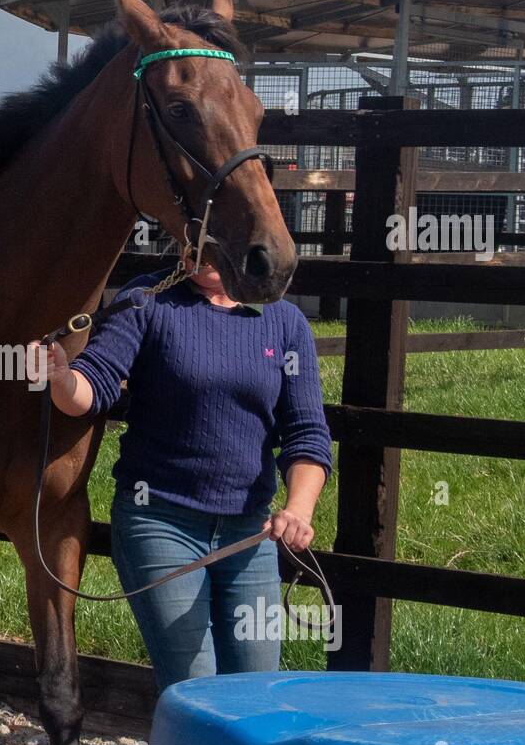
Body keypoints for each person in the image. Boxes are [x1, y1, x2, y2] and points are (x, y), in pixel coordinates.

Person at [36, 249, 332, 693]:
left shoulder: (285, 323)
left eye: (216, 242)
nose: (201, 251)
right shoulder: (147, 301)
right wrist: (60, 377)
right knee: (194, 686)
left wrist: (299, 509)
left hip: (250, 532)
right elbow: (92, 388)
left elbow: (307, 433)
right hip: (160, 521)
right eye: (192, 238)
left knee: (257, 688)